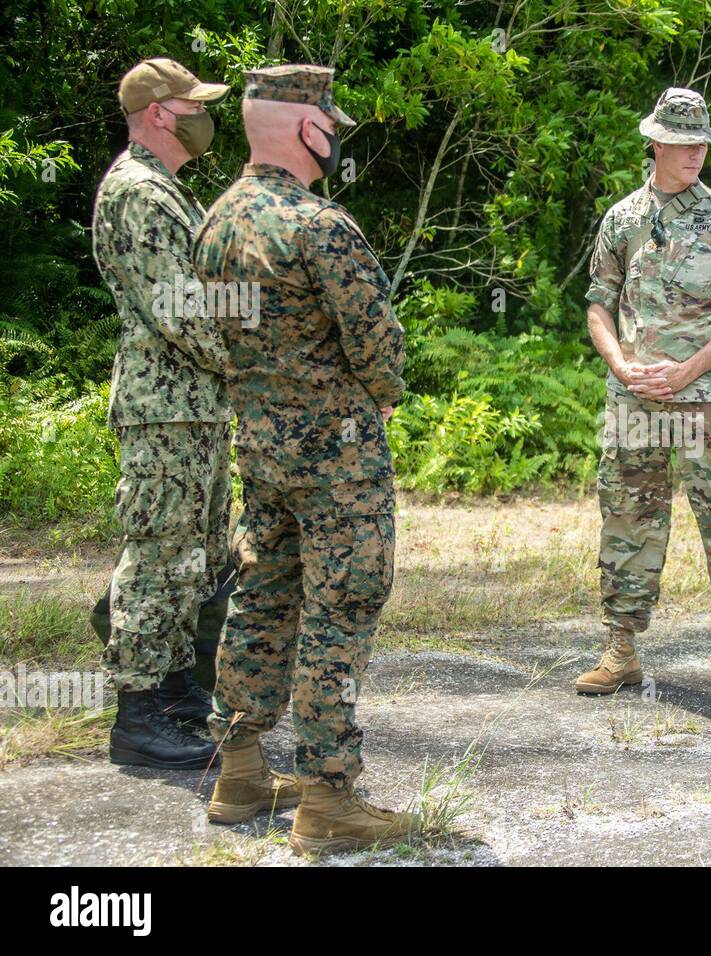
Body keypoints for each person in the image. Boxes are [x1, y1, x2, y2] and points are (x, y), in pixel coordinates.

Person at [193, 65, 414, 853]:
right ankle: (326, 798)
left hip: (261, 446)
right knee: (340, 611)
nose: (336, 135)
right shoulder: (320, 225)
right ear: (302, 127)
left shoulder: (213, 223)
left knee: (263, 596)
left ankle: (241, 770)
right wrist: (382, 392)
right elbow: (379, 347)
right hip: (337, 459)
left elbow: (215, 342)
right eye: (329, 121)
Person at [581, 87, 711, 702]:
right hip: (637, 399)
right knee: (628, 518)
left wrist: (686, 371)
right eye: (685, 143)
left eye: (703, 144)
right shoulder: (622, 219)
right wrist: (622, 367)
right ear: (656, 143)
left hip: (706, 398)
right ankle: (622, 648)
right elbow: (598, 308)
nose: (696, 154)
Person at [91, 57, 232, 769]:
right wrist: (260, 359)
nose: (203, 117)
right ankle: (140, 715)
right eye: (193, 106)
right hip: (165, 409)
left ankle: (177, 695)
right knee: (159, 557)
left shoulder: (166, 190)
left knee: (196, 559)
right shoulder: (139, 192)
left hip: (195, 408)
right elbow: (183, 310)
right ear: (157, 113)